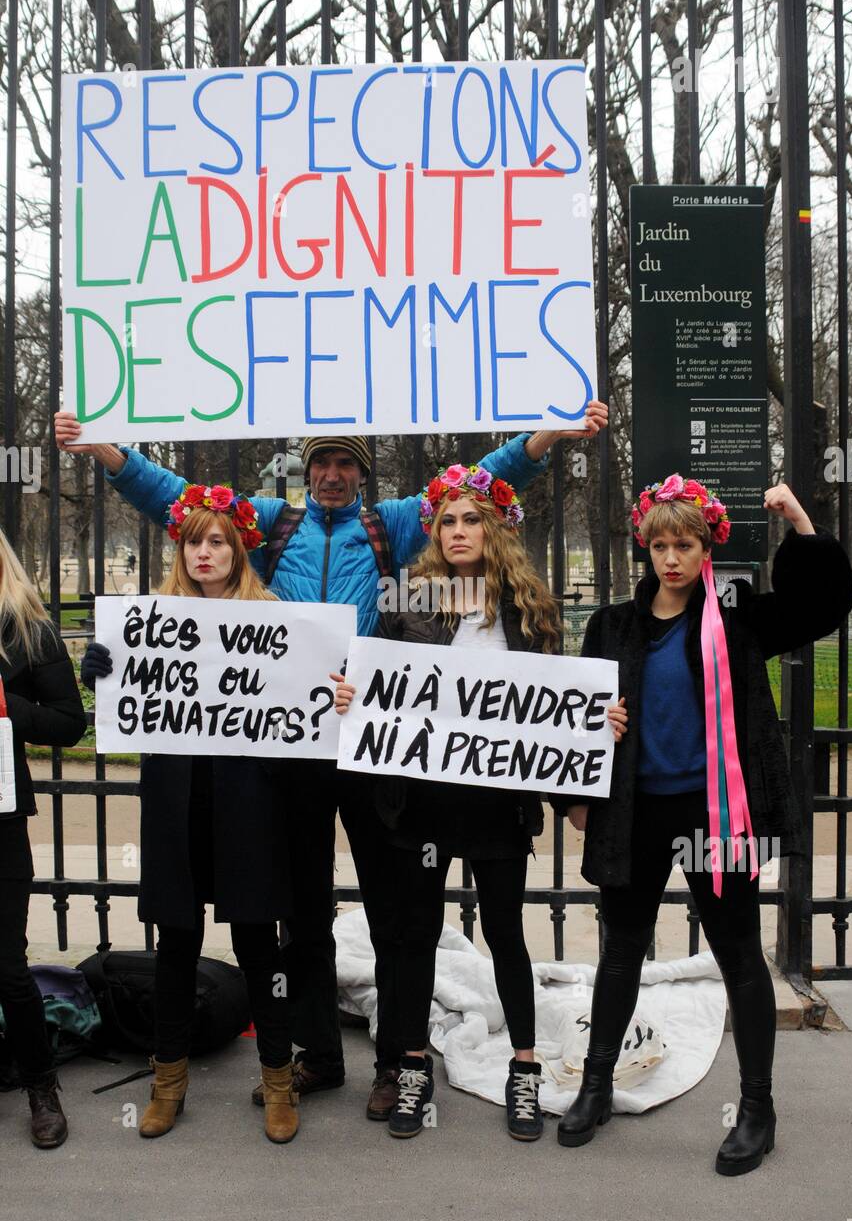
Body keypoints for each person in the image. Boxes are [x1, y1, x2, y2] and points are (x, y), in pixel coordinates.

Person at [55, 406, 609, 1121]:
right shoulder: (269, 523)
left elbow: (480, 482)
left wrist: (547, 438)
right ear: (305, 469)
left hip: (371, 740)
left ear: (361, 474)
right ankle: (316, 1056)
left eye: (346, 463)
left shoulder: (392, 524)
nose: (332, 474)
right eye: (321, 462)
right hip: (288, 748)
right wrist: (106, 451)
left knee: (390, 911)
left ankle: (396, 1063)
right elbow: (177, 501)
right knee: (301, 913)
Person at [558, 476, 852, 1173]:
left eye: (684, 545)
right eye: (659, 545)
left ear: (705, 549)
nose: (670, 558)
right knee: (621, 949)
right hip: (635, 809)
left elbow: (823, 604)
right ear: (645, 546)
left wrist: (798, 520)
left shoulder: (738, 618)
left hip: (715, 810)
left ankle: (757, 1110)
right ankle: (596, 1085)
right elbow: (573, 714)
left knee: (739, 955)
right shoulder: (611, 626)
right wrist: (594, 738)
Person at [332, 463, 627, 1141]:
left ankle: (523, 1066)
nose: (458, 531)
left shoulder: (528, 609)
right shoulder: (409, 602)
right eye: (447, 521)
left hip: (498, 802)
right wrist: (351, 695)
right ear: (434, 532)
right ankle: (411, 1065)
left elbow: (554, 711)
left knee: (504, 934)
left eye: (471, 520)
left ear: (494, 529)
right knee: (413, 935)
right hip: (422, 803)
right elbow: (378, 682)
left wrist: (595, 726)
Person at [81, 486, 298, 1144]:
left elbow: (301, 705)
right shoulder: (152, 619)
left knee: (258, 944)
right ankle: (167, 1081)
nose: (204, 552)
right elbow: (126, 706)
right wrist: (103, 672)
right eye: (194, 541)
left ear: (238, 550)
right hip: (176, 801)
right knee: (175, 943)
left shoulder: (272, 619)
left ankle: (279, 1081)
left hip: (247, 801)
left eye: (217, 541)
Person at [0, 527, 86, 1147]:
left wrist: (6, 704)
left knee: (7, 966)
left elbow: (68, 723)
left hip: (1, 815)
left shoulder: (28, 629)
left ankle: (40, 1085)